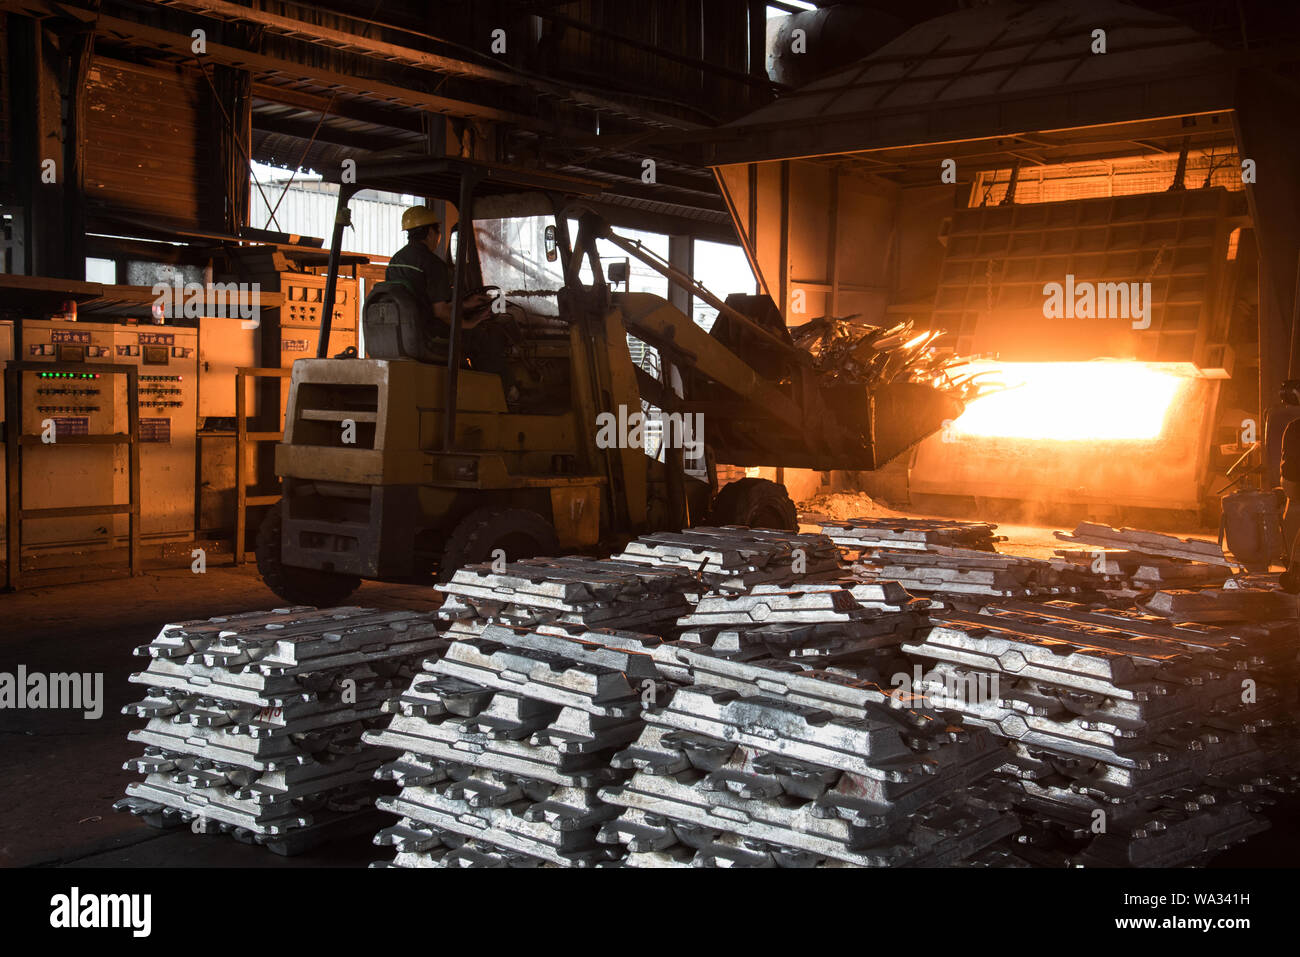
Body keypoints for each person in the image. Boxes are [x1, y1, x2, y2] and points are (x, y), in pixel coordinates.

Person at [386, 206, 515, 397]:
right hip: (428, 332)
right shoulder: (432, 263)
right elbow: (441, 313)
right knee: (486, 335)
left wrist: (465, 304)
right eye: (437, 230)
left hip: (403, 331)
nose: (438, 235)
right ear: (430, 232)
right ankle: (503, 395)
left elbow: (421, 300)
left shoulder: (395, 261)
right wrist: (471, 323)